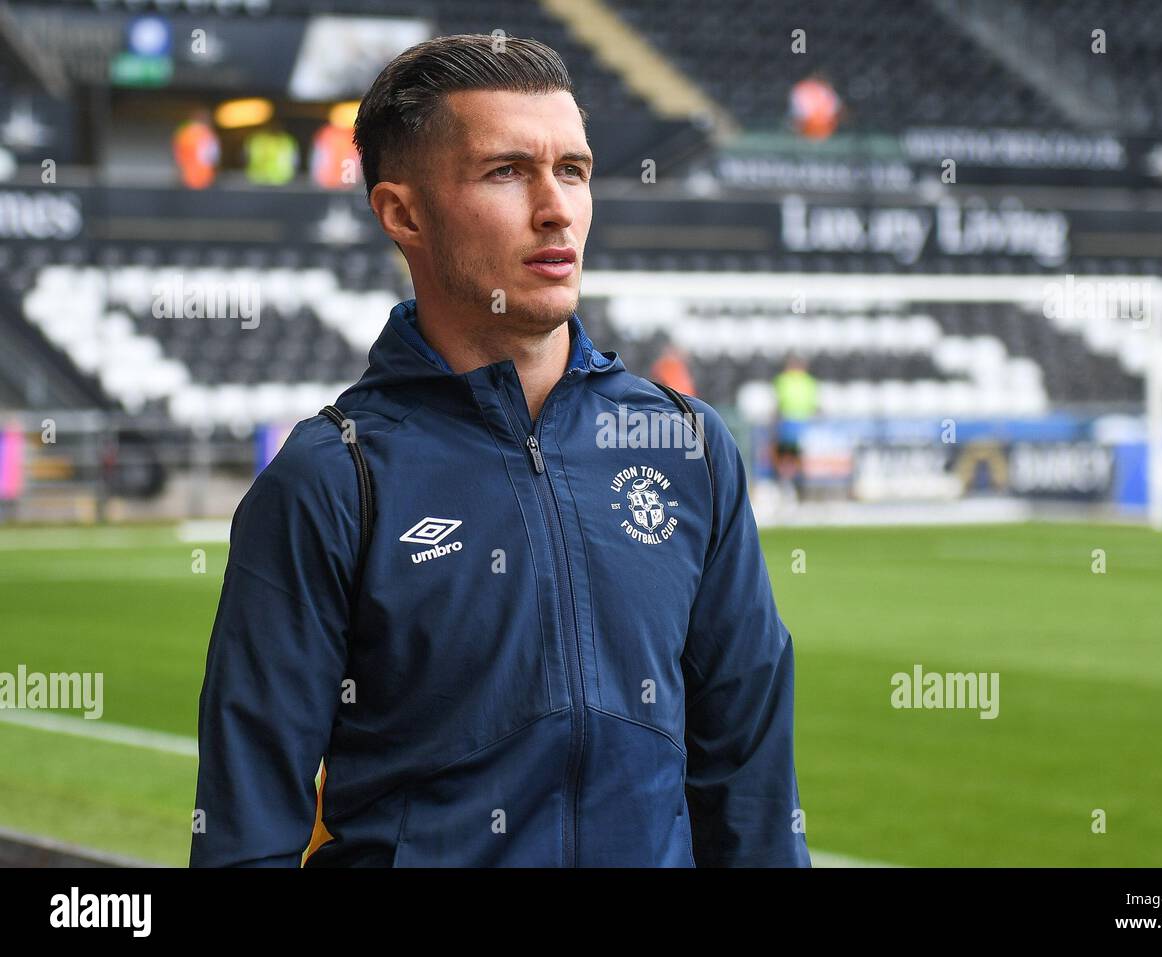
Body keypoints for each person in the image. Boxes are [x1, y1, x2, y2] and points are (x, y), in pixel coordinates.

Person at [190, 34, 811, 868]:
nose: (556, 208)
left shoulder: (687, 446)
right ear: (401, 213)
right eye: (507, 172)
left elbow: (753, 791)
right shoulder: (334, 479)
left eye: (575, 170)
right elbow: (244, 835)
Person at [772, 355, 819, 502]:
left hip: (789, 422)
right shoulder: (809, 382)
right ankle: (798, 489)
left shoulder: (783, 380)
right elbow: (814, 406)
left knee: (787, 458)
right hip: (802, 424)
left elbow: (778, 404)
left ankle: (789, 488)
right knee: (798, 458)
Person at [789, 70, 841, 140]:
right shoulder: (802, 88)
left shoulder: (825, 89)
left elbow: (835, 110)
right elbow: (798, 114)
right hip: (806, 127)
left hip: (824, 128)